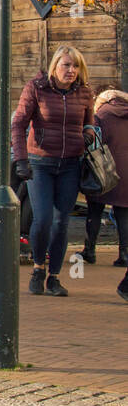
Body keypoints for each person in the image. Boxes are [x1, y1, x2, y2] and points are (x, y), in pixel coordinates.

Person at [12, 45, 96, 297]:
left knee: (61, 222)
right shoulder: (36, 88)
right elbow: (18, 124)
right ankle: (38, 267)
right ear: (55, 66)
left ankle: (54, 277)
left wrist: (89, 132)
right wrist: (21, 160)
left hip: (71, 163)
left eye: (76, 66)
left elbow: (89, 121)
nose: (71, 70)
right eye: (66, 65)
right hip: (40, 163)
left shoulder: (84, 92)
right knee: (44, 219)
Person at [81, 88, 128, 271]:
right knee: (123, 213)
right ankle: (124, 254)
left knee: (94, 209)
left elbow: (94, 141)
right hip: (126, 172)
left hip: (104, 168)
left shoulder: (102, 114)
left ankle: (89, 250)